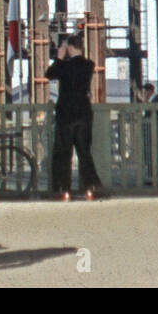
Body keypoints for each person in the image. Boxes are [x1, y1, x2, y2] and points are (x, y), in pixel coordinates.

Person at [46, 33, 101, 201]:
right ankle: (90, 188)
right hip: (84, 114)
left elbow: (49, 74)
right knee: (84, 153)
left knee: (64, 153)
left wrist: (59, 58)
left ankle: (65, 189)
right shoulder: (88, 65)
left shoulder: (64, 66)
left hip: (65, 115)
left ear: (69, 48)